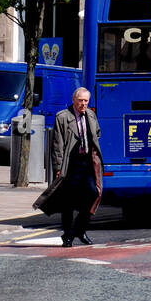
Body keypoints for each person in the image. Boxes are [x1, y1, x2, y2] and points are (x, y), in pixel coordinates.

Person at [34, 88, 103, 247]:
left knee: (94, 193)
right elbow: (57, 144)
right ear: (74, 100)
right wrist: (58, 166)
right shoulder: (63, 117)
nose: (83, 104)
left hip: (87, 163)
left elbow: (97, 133)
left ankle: (79, 229)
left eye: (86, 101)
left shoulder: (91, 115)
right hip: (70, 163)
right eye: (81, 100)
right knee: (68, 202)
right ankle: (68, 235)